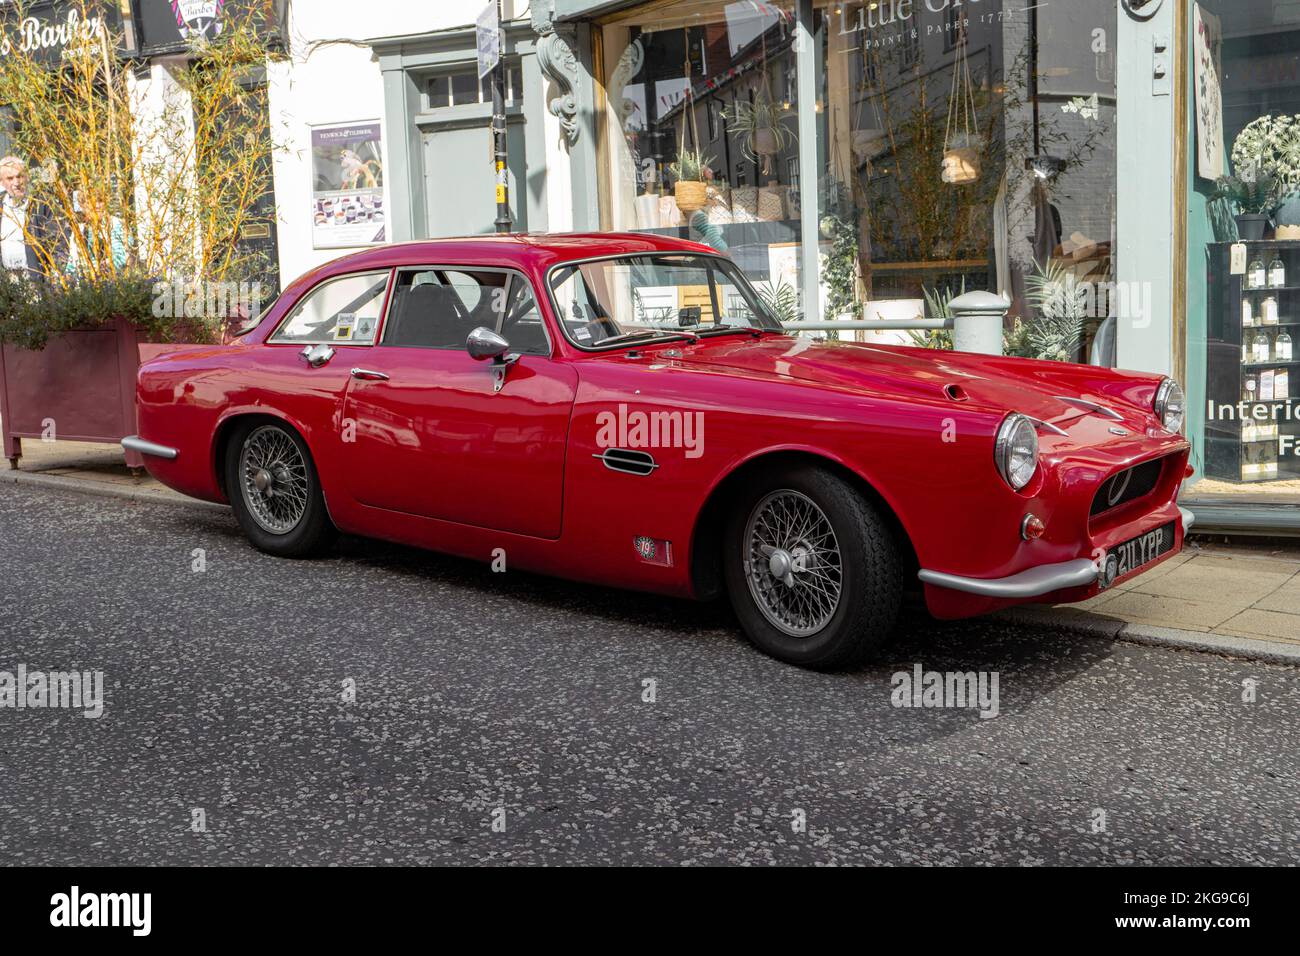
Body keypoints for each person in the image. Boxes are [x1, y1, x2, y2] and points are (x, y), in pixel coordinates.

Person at [0, 156, 60, 279]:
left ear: (27, 177)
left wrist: (55, 275)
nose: (16, 183)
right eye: (10, 178)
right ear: (1, 182)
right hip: (6, 279)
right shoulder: (1, 205)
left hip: (35, 277)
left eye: (20, 176)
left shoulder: (41, 202)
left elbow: (58, 240)